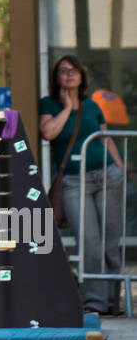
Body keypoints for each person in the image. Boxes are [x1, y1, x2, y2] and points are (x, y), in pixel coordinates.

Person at [39, 55, 126, 316]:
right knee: (89, 241)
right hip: (75, 182)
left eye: (74, 70)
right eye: (64, 71)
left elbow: (106, 138)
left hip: (107, 176)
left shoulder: (92, 105)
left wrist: (120, 169)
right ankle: (94, 302)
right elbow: (48, 133)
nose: (69, 74)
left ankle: (113, 301)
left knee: (110, 242)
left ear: (81, 75)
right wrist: (66, 108)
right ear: (56, 77)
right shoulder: (49, 104)